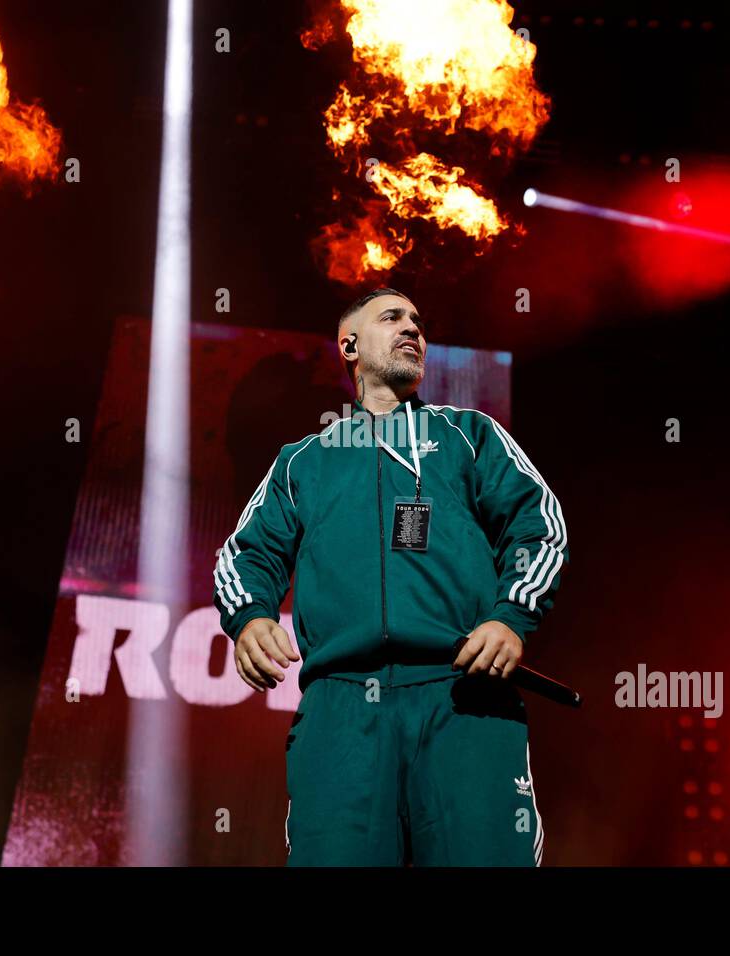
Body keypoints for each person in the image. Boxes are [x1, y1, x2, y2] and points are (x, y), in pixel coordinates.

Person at [213, 288, 569, 865]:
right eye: (393, 317)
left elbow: (540, 525)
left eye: (418, 323)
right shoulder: (303, 461)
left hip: (464, 699)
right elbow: (244, 555)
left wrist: (511, 616)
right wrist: (250, 616)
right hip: (339, 711)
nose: (413, 330)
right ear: (349, 344)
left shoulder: (467, 435)